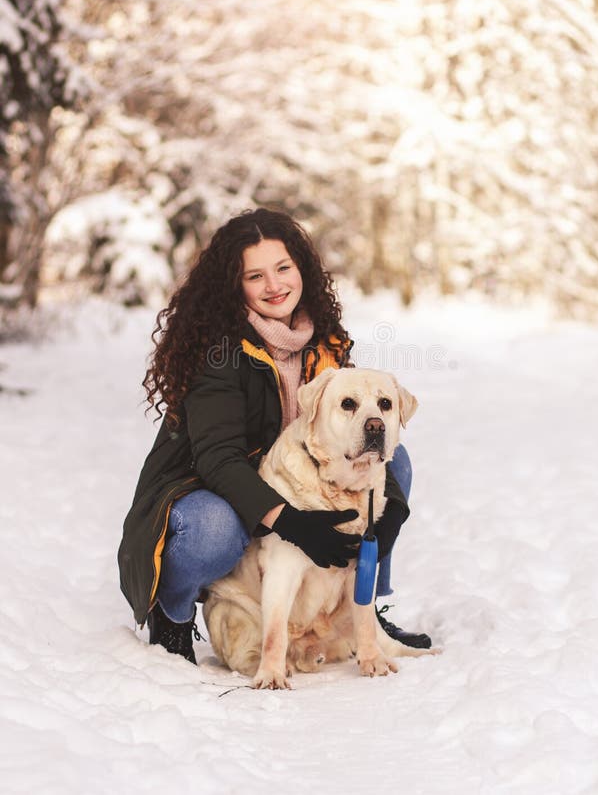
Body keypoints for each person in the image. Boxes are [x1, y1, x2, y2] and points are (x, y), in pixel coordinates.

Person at [118, 208, 431, 663]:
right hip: (206, 492)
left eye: (283, 268)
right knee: (214, 527)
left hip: (293, 478)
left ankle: (365, 603)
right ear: (235, 284)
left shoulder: (324, 341)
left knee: (392, 462)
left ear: (301, 268)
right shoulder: (220, 351)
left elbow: (354, 433)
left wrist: (391, 512)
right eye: (255, 276)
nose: (274, 285)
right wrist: (292, 524)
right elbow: (219, 461)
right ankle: (174, 612)